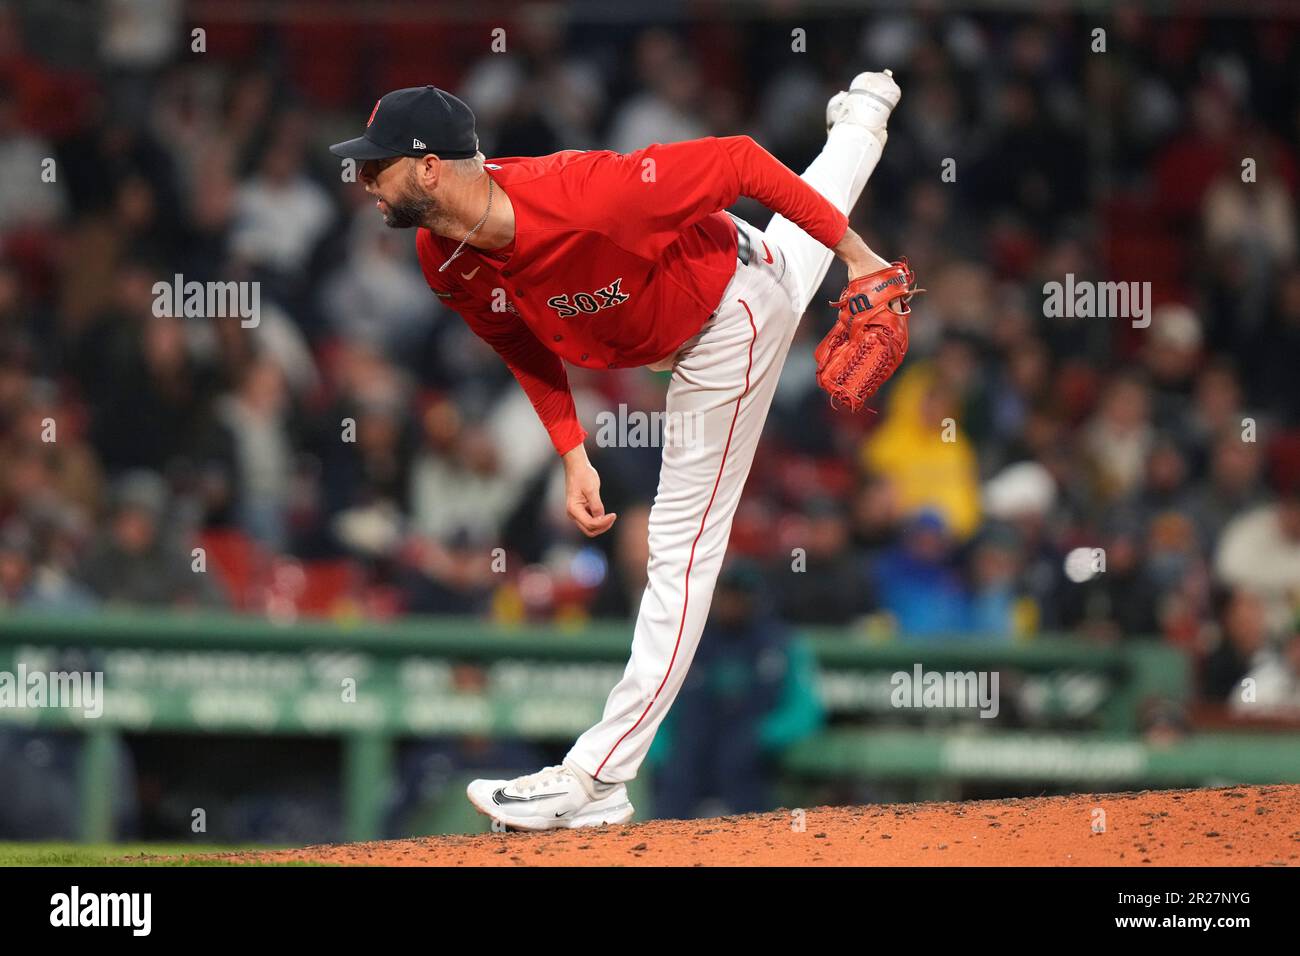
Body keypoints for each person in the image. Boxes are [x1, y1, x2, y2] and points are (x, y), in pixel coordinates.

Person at [329, 73, 904, 829]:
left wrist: (863, 260)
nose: (365, 179)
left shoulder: (586, 193)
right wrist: (571, 449)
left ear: (430, 166)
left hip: (727, 320)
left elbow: (738, 161)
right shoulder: (445, 256)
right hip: (715, 288)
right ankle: (866, 112)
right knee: (798, 245)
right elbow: (516, 342)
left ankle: (597, 776)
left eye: (379, 165)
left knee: (679, 546)